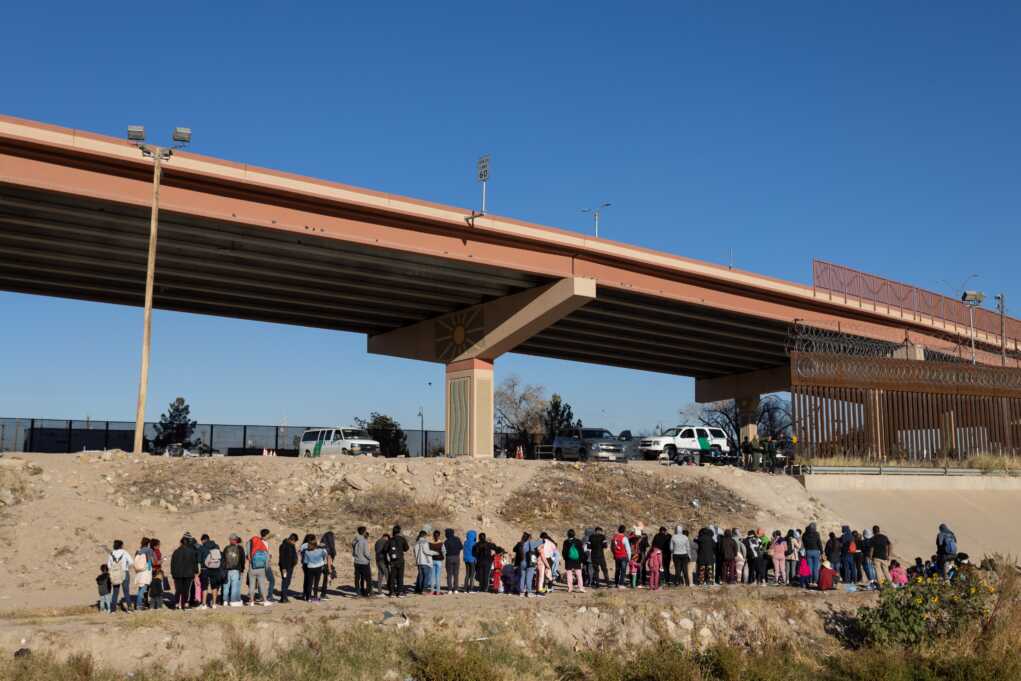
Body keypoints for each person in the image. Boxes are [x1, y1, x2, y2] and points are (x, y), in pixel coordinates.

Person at [170, 535, 198, 610]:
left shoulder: (176, 552)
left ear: (181, 543)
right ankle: (184, 604)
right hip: (188, 574)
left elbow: (172, 563)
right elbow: (194, 563)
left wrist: (173, 573)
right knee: (186, 590)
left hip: (177, 574)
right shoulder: (191, 552)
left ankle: (176, 604)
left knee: (178, 590)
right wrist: (196, 572)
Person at [247, 530, 273, 607]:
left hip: (252, 567)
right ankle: (265, 601)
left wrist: (251, 563)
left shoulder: (249, 543)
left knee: (252, 585)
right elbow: (267, 557)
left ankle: (251, 602)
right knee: (262, 585)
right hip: (261, 568)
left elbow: (248, 556)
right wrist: (267, 566)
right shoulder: (262, 544)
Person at [106, 540, 132, 613]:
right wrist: (125, 566)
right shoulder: (124, 552)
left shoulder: (111, 554)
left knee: (115, 592)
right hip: (124, 572)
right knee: (126, 591)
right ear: (121, 545)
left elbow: (109, 565)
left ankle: (113, 610)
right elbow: (131, 562)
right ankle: (129, 609)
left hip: (115, 574)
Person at [198, 534, 223, 609]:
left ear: (203, 540)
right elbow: (220, 557)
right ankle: (214, 604)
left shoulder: (201, 548)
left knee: (204, 587)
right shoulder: (216, 546)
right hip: (215, 568)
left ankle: (204, 604)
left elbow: (199, 561)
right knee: (214, 587)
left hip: (205, 569)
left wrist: (198, 571)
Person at [385, 526, 409, 597]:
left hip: (393, 561)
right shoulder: (402, 539)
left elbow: (385, 549)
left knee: (392, 577)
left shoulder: (390, 540)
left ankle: (392, 592)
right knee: (400, 577)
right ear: (399, 531)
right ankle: (400, 592)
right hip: (401, 560)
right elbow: (406, 548)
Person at [222, 534, 246, 607]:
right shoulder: (240, 548)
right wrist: (242, 569)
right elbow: (242, 560)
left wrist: (224, 569)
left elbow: (223, 559)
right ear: (236, 540)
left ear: (230, 540)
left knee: (226, 586)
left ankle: (225, 601)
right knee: (234, 586)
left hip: (226, 570)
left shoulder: (226, 548)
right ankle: (233, 601)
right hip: (236, 570)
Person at [303, 538, 327, 603]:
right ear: (315, 545)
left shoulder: (306, 552)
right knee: (316, 583)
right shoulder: (320, 550)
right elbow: (325, 554)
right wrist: (319, 546)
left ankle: (308, 597)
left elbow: (305, 561)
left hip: (310, 568)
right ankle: (315, 597)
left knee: (309, 583)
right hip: (318, 568)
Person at [562, 529, 586, 593]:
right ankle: (581, 588)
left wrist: (565, 558)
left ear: (568, 535)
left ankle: (570, 588)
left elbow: (564, 551)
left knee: (569, 574)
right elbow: (581, 551)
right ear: (574, 534)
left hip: (568, 560)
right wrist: (581, 559)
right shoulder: (578, 541)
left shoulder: (566, 542)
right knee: (579, 575)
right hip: (577, 560)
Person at [132, 539, 153, 610]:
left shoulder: (138, 551)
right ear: (148, 544)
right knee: (142, 590)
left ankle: (139, 604)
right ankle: (138, 605)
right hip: (145, 572)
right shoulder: (149, 550)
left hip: (139, 572)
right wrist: (150, 568)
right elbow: (150, 561)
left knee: (140, 588)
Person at [352, 526, 372, 598]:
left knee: (357, 578)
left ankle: (358, 593)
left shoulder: (355, 540)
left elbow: (353, 551)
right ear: (364, 532)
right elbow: (366, 553)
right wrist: (370, 558)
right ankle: (368, 593)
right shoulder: (364, 541)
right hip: (364, 562)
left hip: (356, 562)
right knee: (368, 578)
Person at [278, 533, 298, 603]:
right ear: (292, 539)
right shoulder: (284, 546)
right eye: (294, 541)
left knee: (287, 581)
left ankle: (284, 596)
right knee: (285, 581)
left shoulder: (291, 545)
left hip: (290, 567)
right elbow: (282, 558)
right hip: (285, 567)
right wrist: (283, 568)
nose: (294, 543)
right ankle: (283, 598)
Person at [413, 530, 434, 595]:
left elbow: (415, 553)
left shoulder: (416, 543)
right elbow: (427, 552)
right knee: (426, 576)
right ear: (424, 535)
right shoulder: (425, 542)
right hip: (425, 561)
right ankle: (424, 589)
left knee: (420, 576)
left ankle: (418, 589)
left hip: (419, 562)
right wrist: (434, 553)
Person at [443, 528, 462, 594]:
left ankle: (450, 589)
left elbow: (444, 551)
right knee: (456, 573)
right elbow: (461, 547)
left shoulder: (446, 541)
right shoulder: (457, 539)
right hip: (457, 557)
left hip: (449, 557)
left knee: (449, 574)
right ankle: (456, 589)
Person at [319, 531, 337, 600]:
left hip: (317, 564)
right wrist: (330, 569)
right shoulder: (329, 547)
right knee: (325, 580)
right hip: (326, 565)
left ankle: (313, 596)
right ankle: (323, 595)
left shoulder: (320, 545)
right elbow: (329, 558)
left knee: (316, 580)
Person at [374, 532, 391, 596]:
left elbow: (376, 550)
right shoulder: (385, 542)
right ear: (386, 537)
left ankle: (379, 591)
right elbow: (387, 551)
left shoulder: (377, 542)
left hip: (377, 559)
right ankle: (390, 590)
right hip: (383, 559)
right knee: (387, 575)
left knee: (380, 575)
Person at [429, 530, 445, 595]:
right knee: (438, 577)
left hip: (432, 560)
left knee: (432, 577)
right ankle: (438, 591)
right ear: (439, 536)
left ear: (433, 535)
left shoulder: (430, 544)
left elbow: (429, 552)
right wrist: (442, 556)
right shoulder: (441, 543)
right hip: (439, 561)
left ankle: (432, 591)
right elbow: (444, 551)